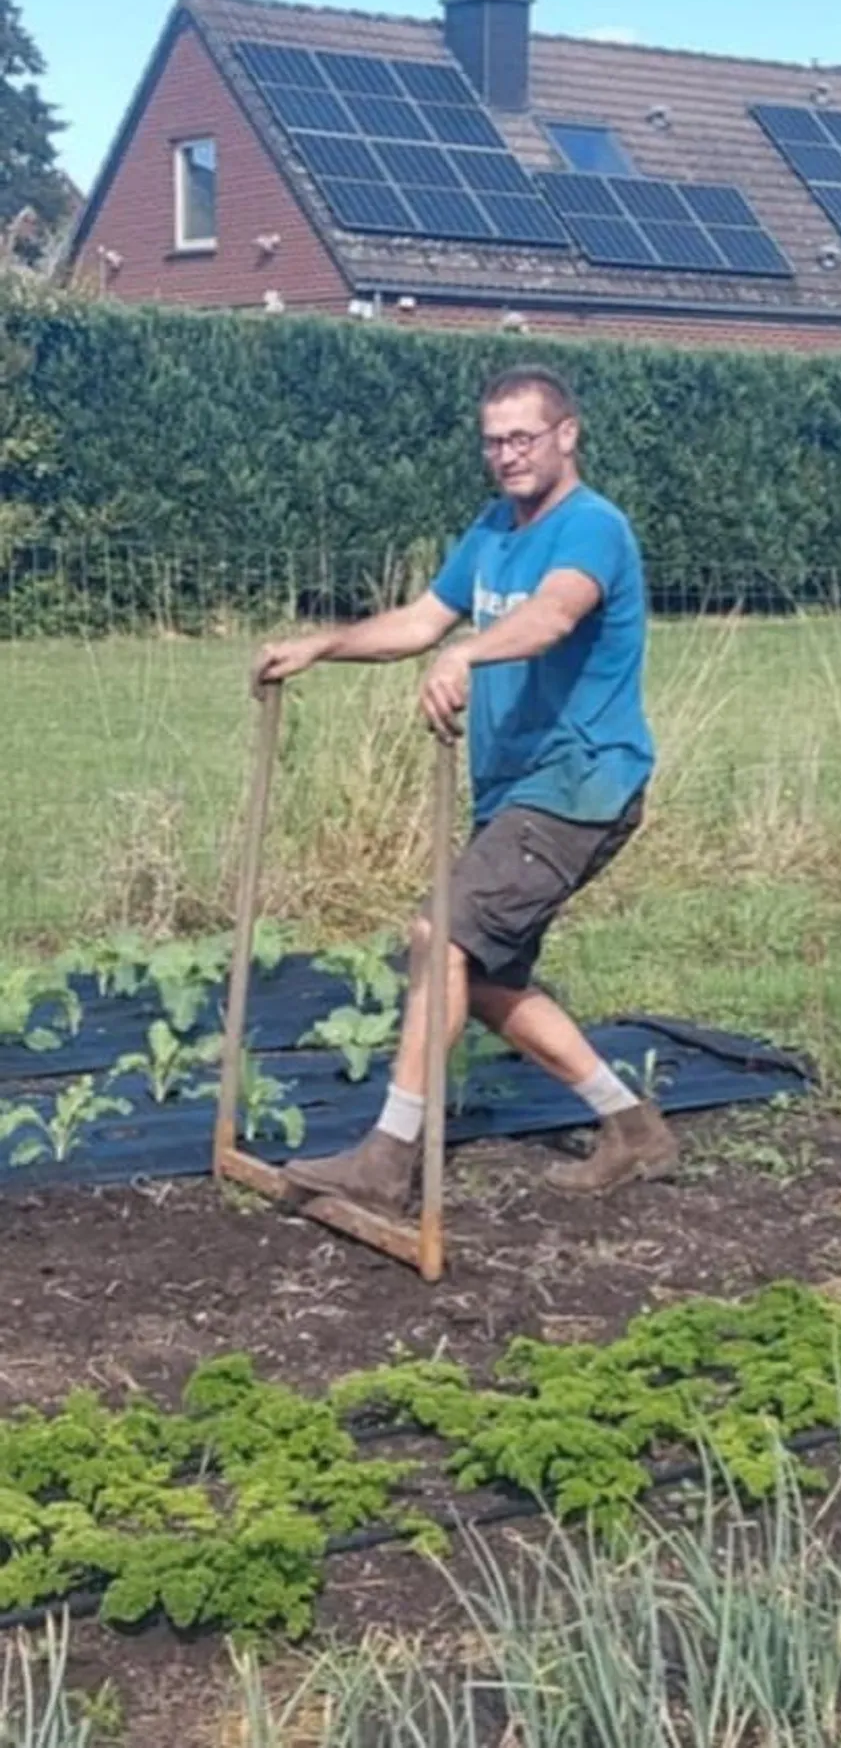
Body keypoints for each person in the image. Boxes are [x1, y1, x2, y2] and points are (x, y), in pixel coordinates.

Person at [252, 364, 678, 1214]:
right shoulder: (492, 530)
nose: (507, 455)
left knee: (438, 937)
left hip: (579, 783)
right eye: (493, 441)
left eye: (523, 437)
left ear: (567, 435)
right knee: (481, 981)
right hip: (520, 790)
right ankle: (632, 1128)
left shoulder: (592, 529)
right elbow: (418, 623)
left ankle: (386, 1158)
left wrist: (469, 654)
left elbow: (553, 615)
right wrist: (319, 647)